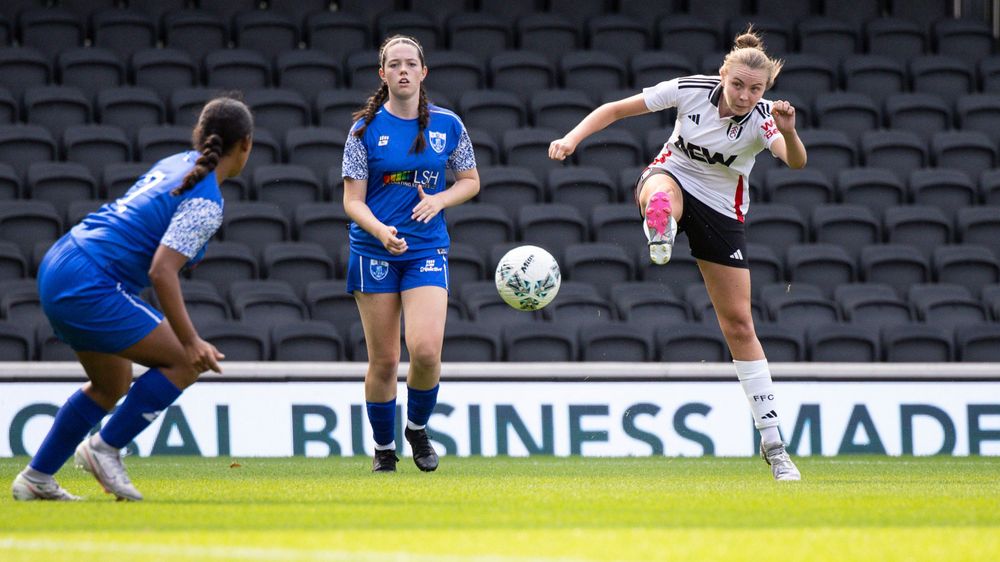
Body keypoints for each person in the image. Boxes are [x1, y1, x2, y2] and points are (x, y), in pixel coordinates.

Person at [549, 29, 806, 481]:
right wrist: (572, 138)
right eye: (738, 85)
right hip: (672, 176)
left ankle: (774, 444)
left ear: (765, 90)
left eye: (756, 89)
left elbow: (795, 160)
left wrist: (790, 132)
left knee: (740, 326)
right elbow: (615, 109)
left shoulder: (765, 119)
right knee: (662, 186)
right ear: (722, 75)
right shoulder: (689, 90)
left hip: (723, 212)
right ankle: (661, 221)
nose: (745, 95)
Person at [11, 96, 254, 501]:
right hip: (90, 280)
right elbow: (162, 271)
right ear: (245, 145)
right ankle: (104, 449)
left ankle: (36, 478)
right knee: (182, 360)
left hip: (62, 259)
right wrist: (191, 341)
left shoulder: (176, 162)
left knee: (111, 384)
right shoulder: (207, 199)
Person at [342, 35, 479, 473]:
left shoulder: (448, 126)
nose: (403, 71)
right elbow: (352, 201)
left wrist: (440, 201)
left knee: (424, 351)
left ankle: (417, 429)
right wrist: (381, 230)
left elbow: (470, 180)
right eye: (394, 65)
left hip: (425, 248)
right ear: (382, 75)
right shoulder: (363, 129)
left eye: (410, 64)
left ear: (423, 72)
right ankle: (384, 450)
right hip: (374, 249)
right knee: (383, 361)